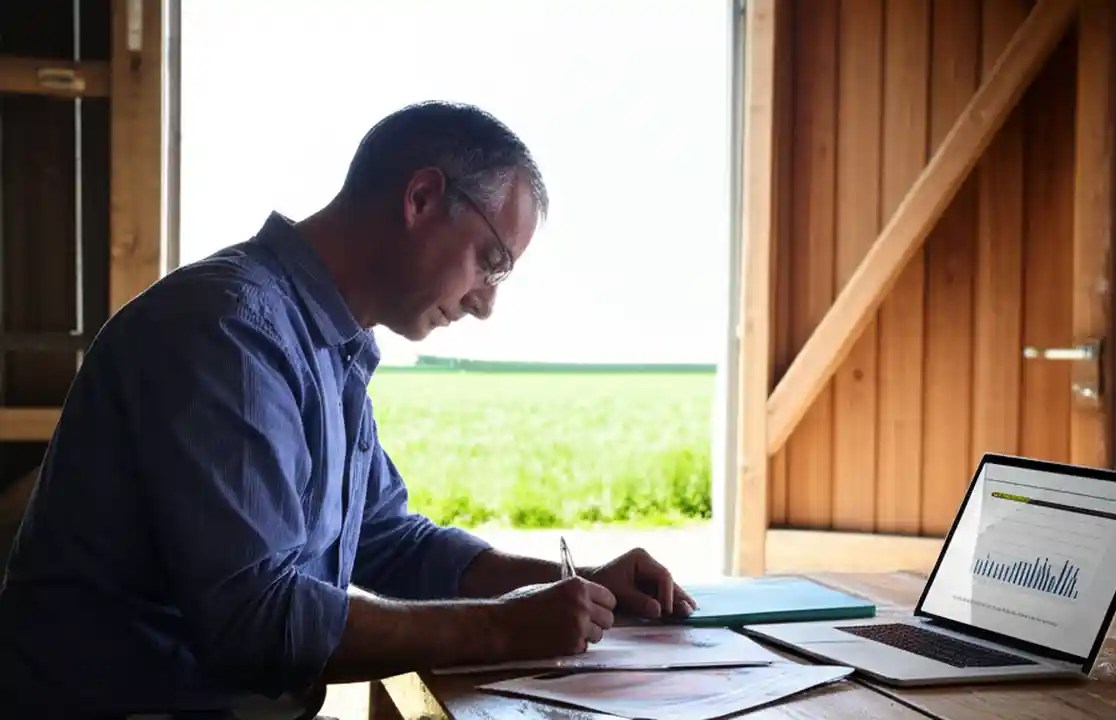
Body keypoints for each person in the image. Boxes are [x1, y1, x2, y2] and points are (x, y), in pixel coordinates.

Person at [0, 101, 695, 718]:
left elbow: (391, 542)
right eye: (491, 260)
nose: (487, 302)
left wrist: (575, 586)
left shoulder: (325, 342)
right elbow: (259, 620)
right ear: (421, 197)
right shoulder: (229, 331)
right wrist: (506, 627)